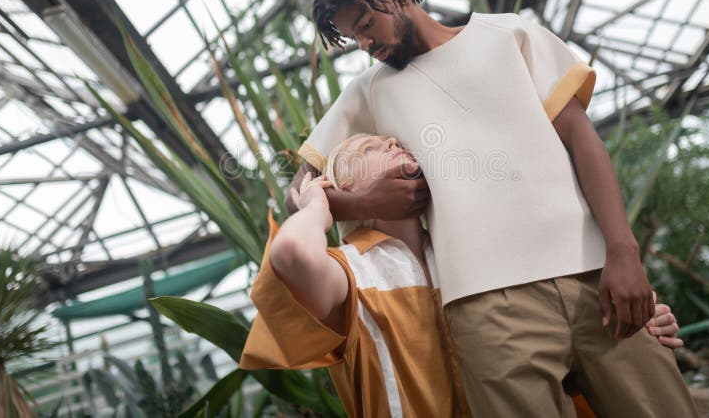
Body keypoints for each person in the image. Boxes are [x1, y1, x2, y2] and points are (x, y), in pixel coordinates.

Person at [285, 0, 698, 417]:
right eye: (352, 37)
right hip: (484, 311)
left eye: (365, 25)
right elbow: (298, 193)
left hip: (595, 276)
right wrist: (364, 203)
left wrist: (624, 253)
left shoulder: (509, 35)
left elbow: (584, 142)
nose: (364, 45)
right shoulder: (370, 91)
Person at [240, 133, 686, 417]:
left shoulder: (469, 255)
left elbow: (554, 322)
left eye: (393, 140)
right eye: (370, 149)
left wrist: (635, 319)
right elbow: (292, 252)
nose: (391, 142)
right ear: (345, 190)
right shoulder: (353, 271)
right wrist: (316, 207)